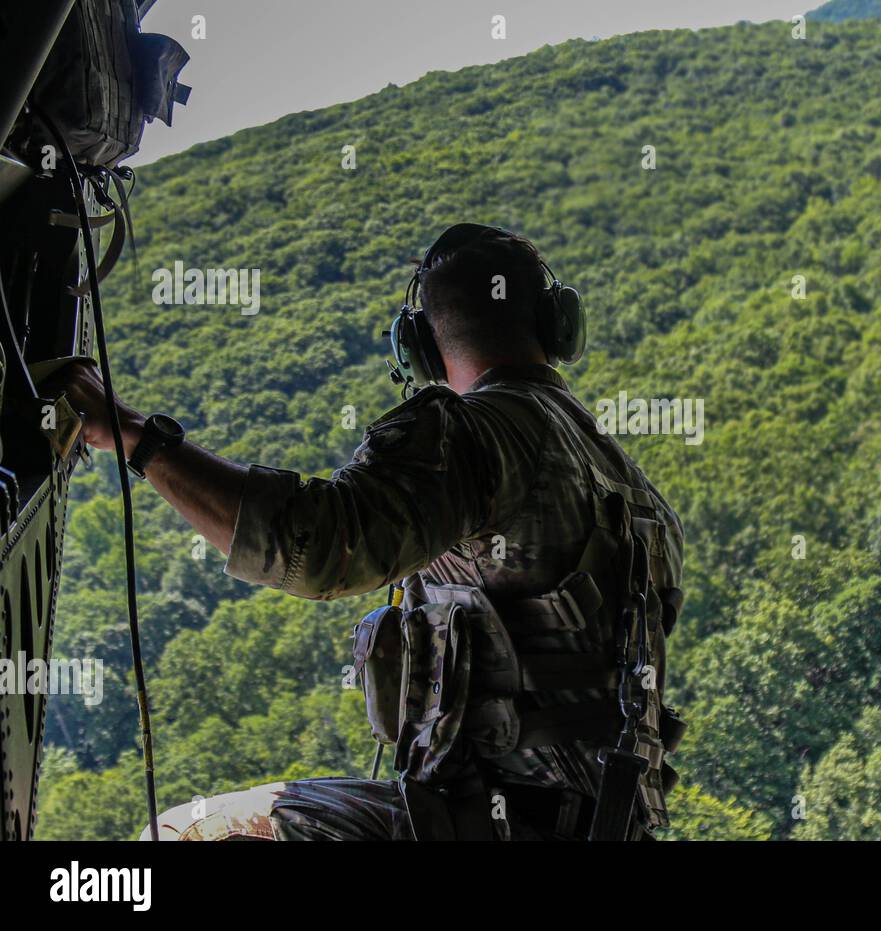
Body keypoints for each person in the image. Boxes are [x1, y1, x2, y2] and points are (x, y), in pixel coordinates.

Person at [42, 224, 686, 840]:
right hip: (598, 823)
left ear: (421, 349)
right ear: (557, 326)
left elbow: (315, 547)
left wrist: (132, 434)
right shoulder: (633, 489)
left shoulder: (475, 433)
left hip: (489, 824)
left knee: (187, 833)